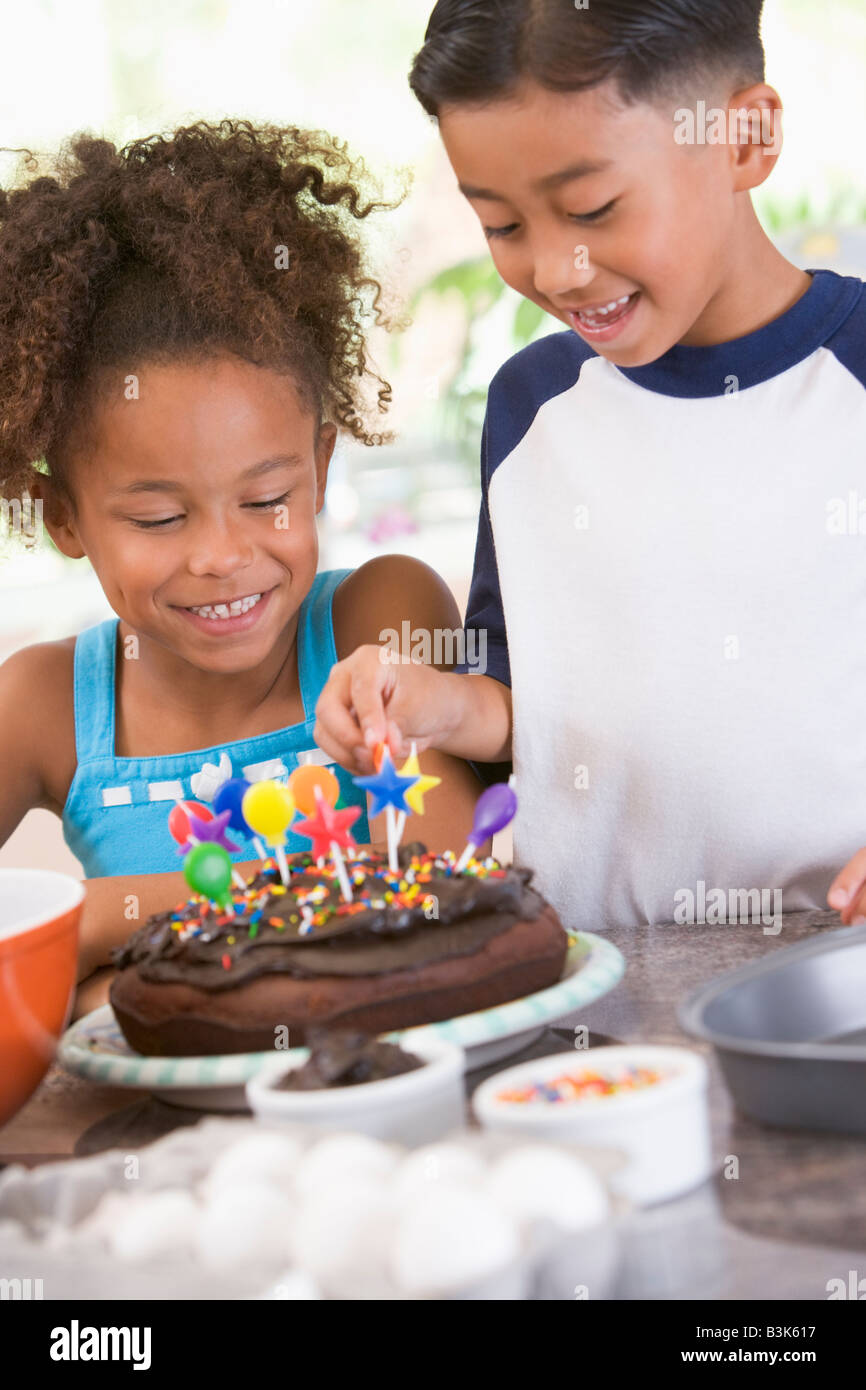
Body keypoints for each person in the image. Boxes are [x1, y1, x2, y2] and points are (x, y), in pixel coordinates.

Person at [314, 0, 866, 932]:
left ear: (746, 137)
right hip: (583, 1006)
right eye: (501, 223)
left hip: (830, 998)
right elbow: (532, 706)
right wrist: (441, 707)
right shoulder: (532, 409)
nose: (556, 270)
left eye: (591, 209)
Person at [0, 121, 482, 1006]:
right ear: (61, 516)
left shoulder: (377, 621)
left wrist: (104, 923)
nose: (223, 556)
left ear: (323, 468)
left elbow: (440, 884)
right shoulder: (43, 707)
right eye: (158, 516)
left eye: (267, 501)